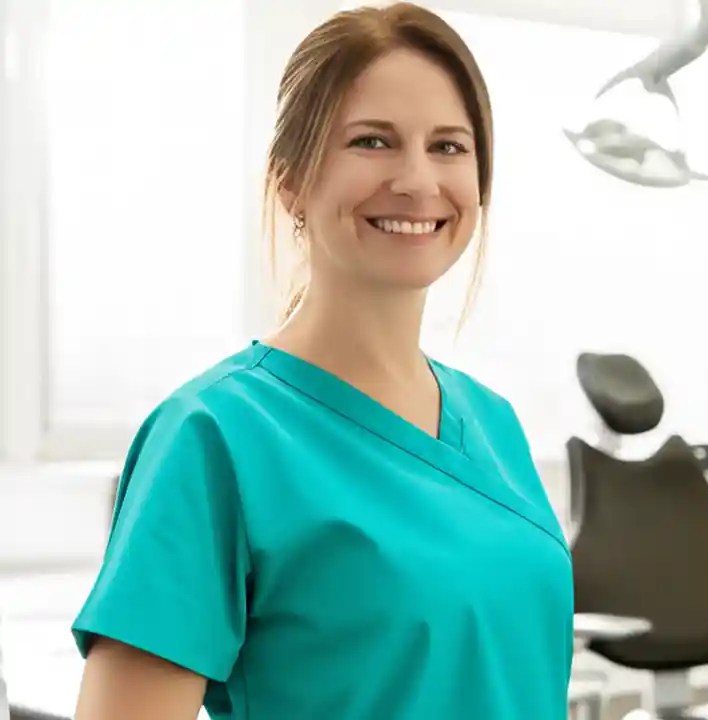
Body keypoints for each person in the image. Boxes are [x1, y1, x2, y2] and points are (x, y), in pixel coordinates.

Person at [70, 4, 574, 719]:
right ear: (291, 181)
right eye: (373, 141)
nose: (417, 180)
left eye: (449, 147)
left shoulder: (495, 425)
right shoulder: (214, 438)